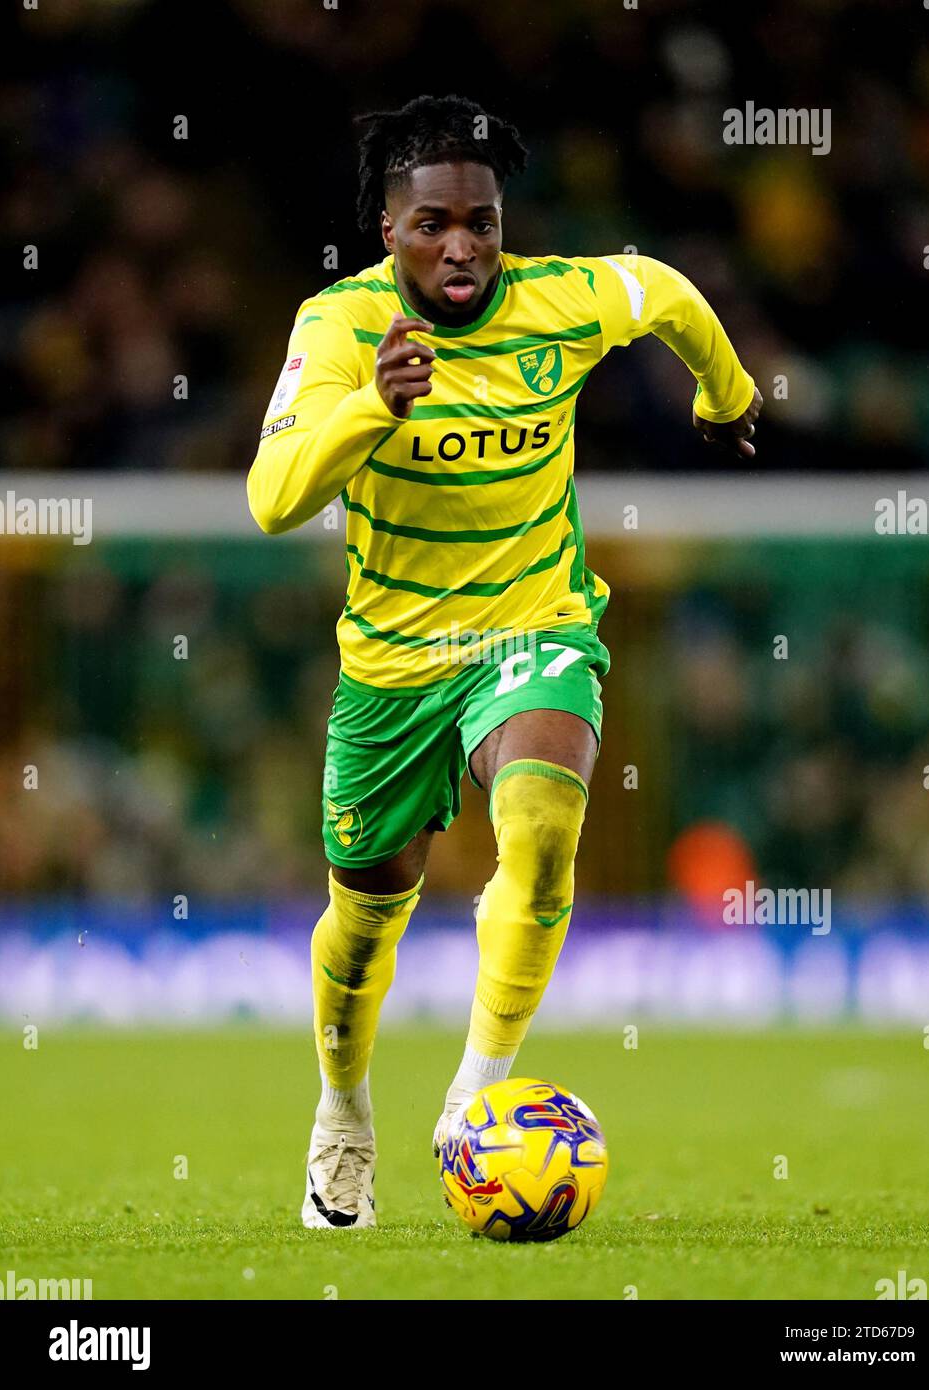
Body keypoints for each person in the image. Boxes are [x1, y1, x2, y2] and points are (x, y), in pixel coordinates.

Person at [247, 93, 761, 1229]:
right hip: (391, 663)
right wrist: (368, 411)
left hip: (532, 626)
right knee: (367, 916)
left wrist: (727, 396)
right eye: (433, 222)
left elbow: (667, 293)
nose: (464, 246)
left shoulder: (562, 298)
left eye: (481, 220)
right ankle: (343, 1115)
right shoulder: (338, 328)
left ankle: (477, 1096)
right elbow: (273, 498)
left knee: (538, 827)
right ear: (390, 232)